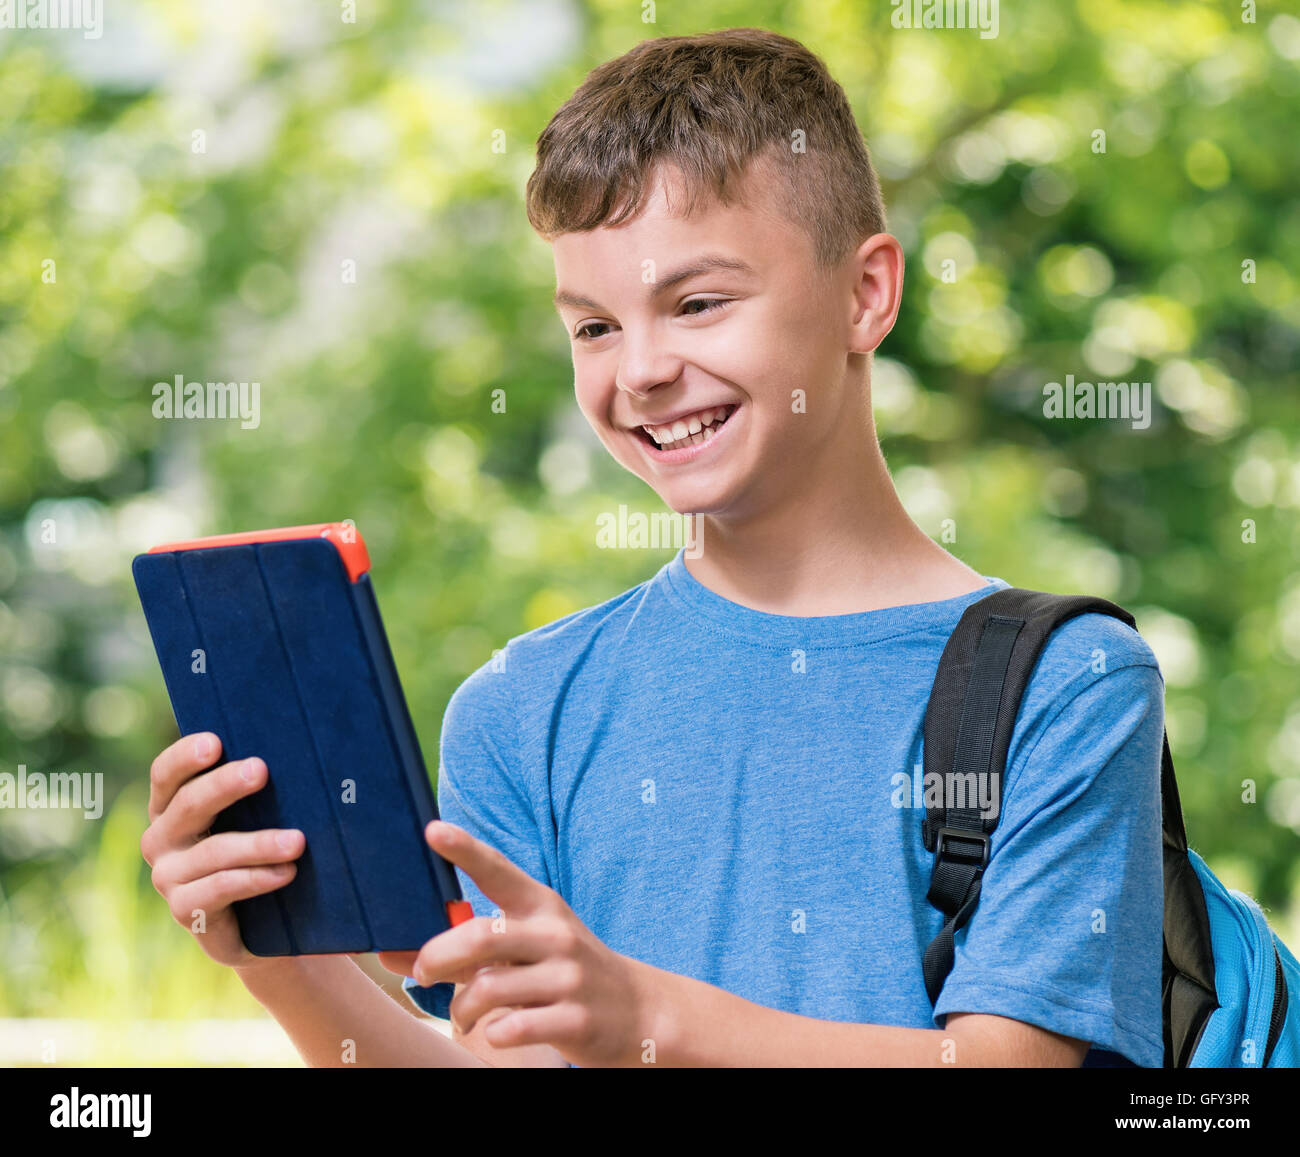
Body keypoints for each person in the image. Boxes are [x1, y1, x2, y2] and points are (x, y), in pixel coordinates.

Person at [139, 27, 1165, 1067]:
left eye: (697, 303)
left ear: (865, 295)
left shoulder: (1066, 685)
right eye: (593, 326)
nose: (640, 370)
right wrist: (281, 960)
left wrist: (642, 1017)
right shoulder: (521, 708)